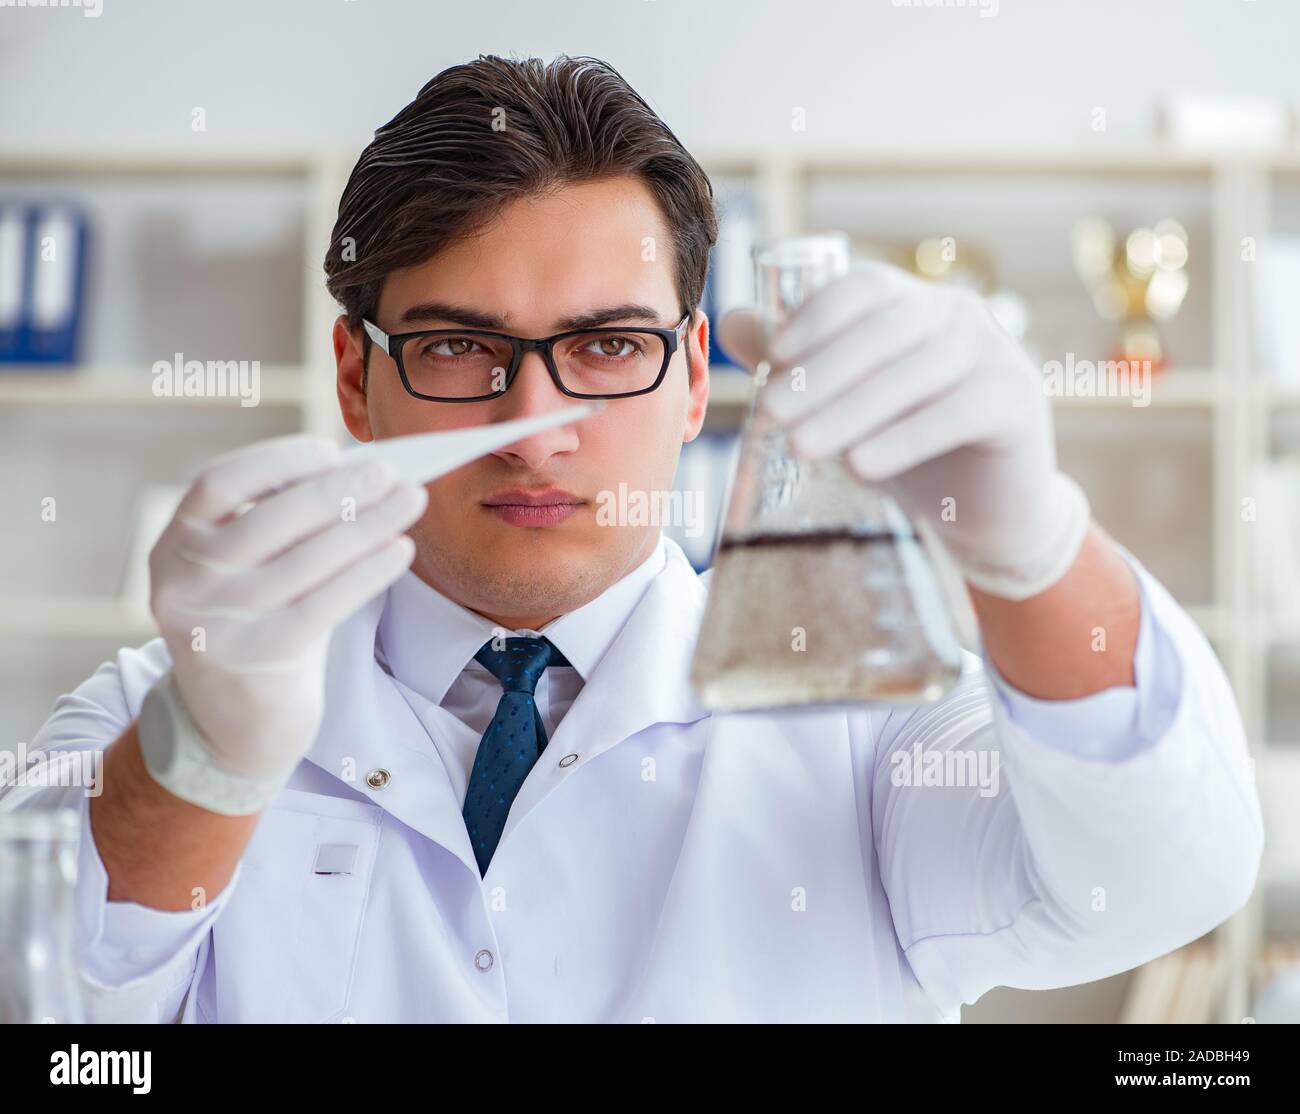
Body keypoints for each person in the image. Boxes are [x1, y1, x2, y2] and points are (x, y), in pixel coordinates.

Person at [0, 54, 1262, 1023]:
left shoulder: (865, 731)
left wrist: (1032, 545)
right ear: (353, 375)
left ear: (697, 376)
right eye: (458, 348)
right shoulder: (151, 723)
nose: (533, 428)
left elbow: (1159, 875)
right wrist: (206, 760)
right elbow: (45, 1006)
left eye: (608, 346)